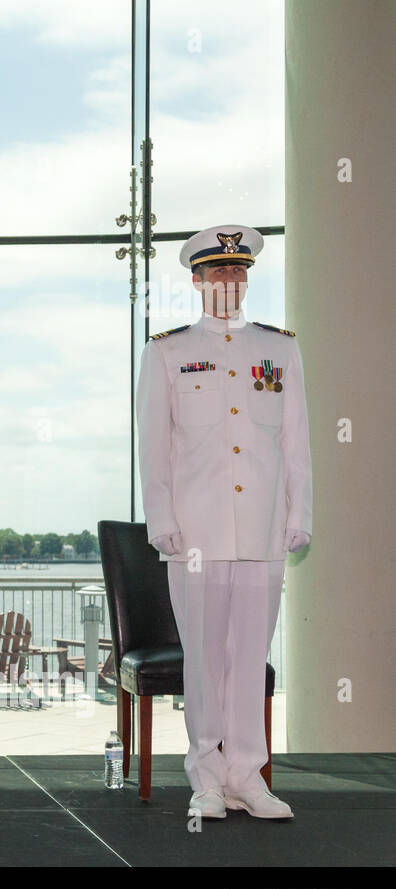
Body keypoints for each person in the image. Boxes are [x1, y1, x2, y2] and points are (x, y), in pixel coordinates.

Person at [137, 224, 311, 820]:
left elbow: (296, 443)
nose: (228, 281)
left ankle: (249, 776)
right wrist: (161, 519)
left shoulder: (280, 349)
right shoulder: (169, 351)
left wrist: (299, 514)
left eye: (238, 271)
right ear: (196, 281)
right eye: (217, 272)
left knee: (249, 657)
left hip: (262, 528)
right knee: (205, 657)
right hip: (196, 534)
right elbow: (154, 448)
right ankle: (207, 778)